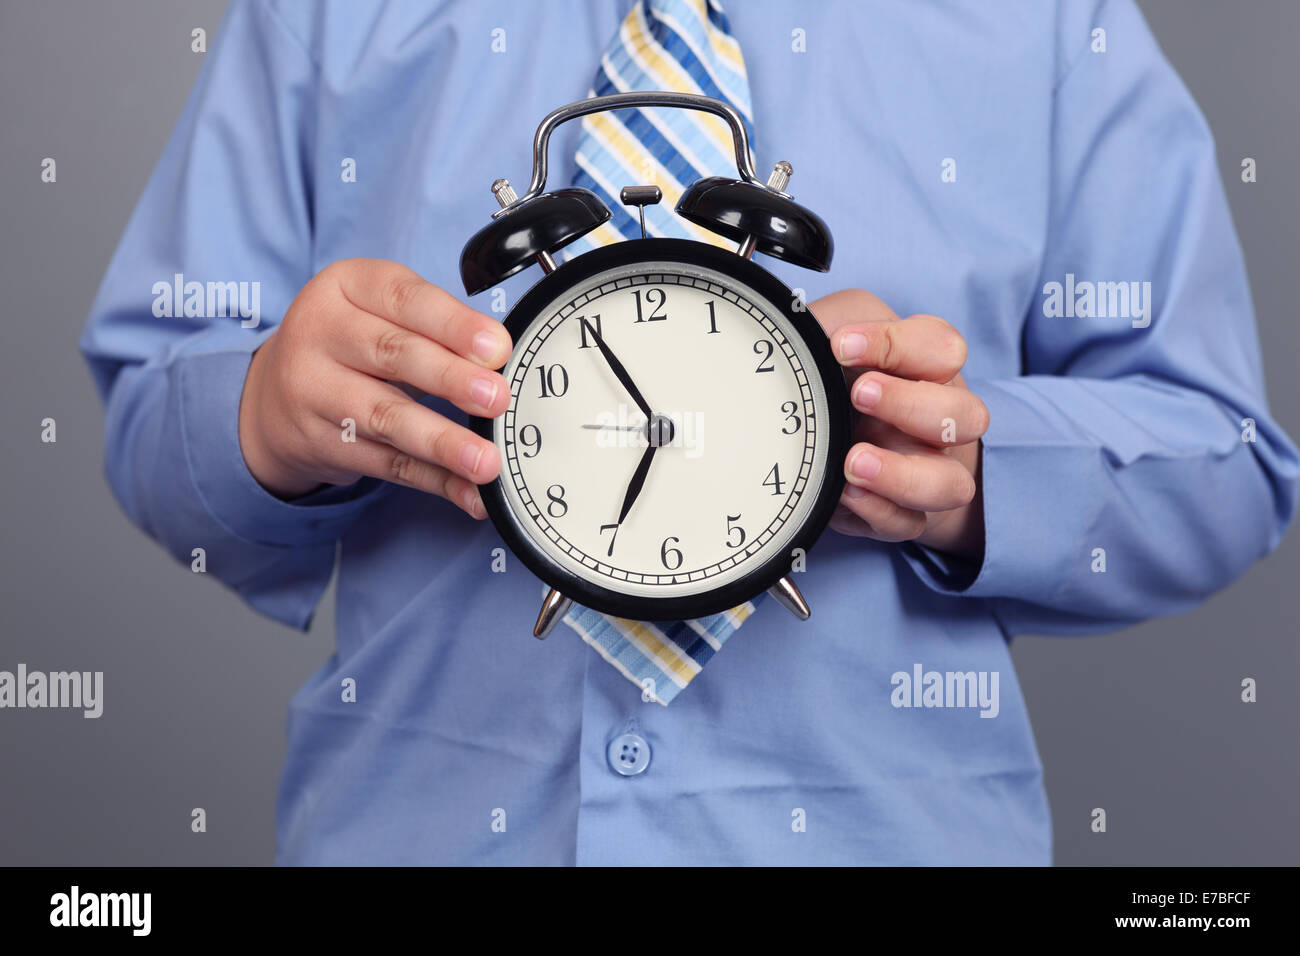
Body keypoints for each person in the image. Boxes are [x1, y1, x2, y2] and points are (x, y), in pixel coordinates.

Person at [80, 0, 1298, 865]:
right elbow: (153, 410)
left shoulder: (1043, 23)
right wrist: (263, 413)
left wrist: (981, 470)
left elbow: (1227, 452)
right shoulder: (330, 14)